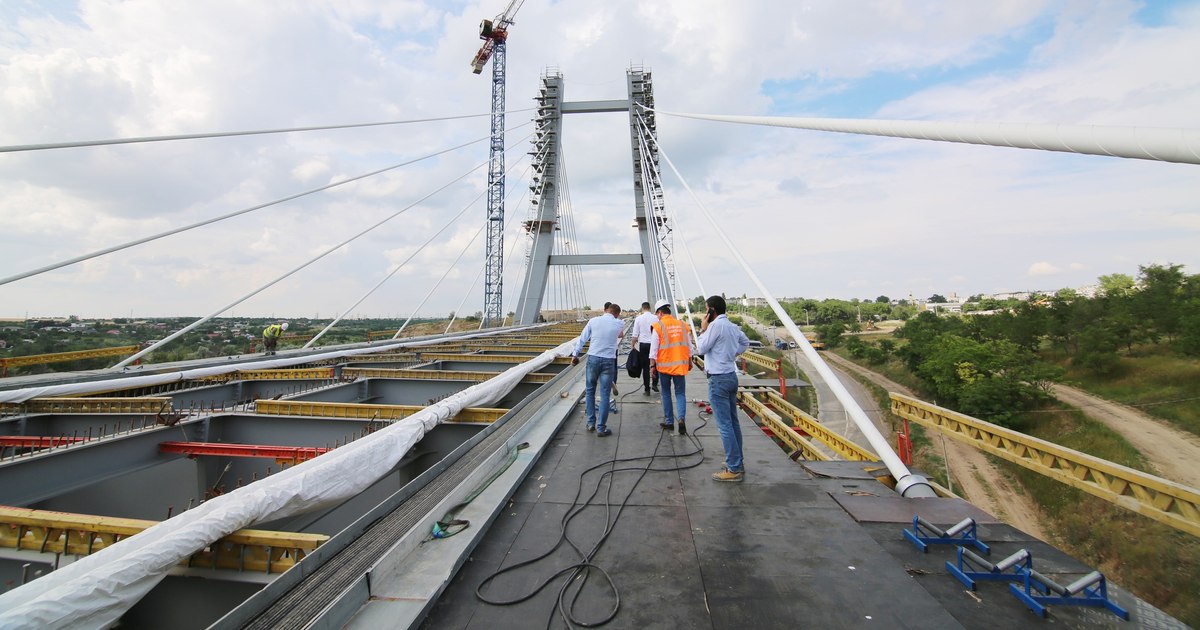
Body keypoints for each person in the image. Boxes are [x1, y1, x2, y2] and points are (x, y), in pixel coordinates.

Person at [696, 296, 749, 482]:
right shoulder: (732, 326)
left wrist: (703, 329)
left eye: (706, 310)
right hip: (731, 376)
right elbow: (745, 342)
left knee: (725, 425)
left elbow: (701, 348)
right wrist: (732, 354)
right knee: (733, 423)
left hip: (718, 379)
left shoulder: (715, 327)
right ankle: (737, 461)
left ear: (711, 311)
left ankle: (733, 469)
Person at [570, 303, 625, 436]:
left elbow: (582, 339)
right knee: (605, 394)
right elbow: (620, 335)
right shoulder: (619, 323)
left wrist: (575, 355)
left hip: (593, 358)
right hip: (608, 361)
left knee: (590, 392)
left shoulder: (593, 321)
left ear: (605, 310)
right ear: (617, 314)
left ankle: (590, 423)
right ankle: (601, 428)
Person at [648, 300, 692, 433]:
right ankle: (681, 419)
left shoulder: (658, 326)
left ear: (660, 313)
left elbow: (653, 350)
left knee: (666, 393)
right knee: (680, 393)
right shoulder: (683, 325)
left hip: (664, 367)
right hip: (680, 366)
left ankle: (669, 421)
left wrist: (652, 367)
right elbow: (690, 347)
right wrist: (690, 361)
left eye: (657, 314)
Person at [631, 301, 659, 394]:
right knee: (655, 365)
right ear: (649, 308)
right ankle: (655, 384)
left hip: (643, 345)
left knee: (645, 368)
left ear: (642, 308)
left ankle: (647, 389)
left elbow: (635, 335)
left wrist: (632, 345)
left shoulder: (639, 318)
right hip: (654, 344)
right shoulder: (656, 318)